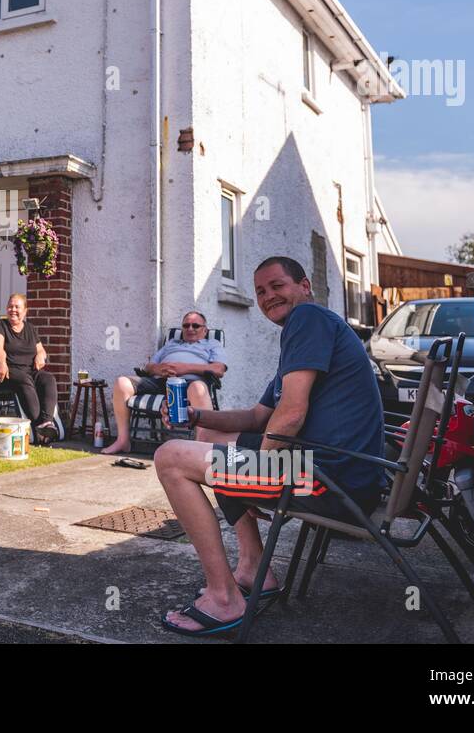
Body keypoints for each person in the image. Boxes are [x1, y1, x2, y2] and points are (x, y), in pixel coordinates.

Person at [153, 256, 385, 636]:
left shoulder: (308, 320)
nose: (267, 297)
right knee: (209, 438)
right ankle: (253, 566)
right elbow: (258, 418)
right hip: (331, 470)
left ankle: (224, 598)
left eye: (278, 286)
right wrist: (197, 418)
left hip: (329, 478)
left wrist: (248, 472)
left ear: (305, 286)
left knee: (170, 458)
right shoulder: (308, 332)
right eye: (260, 291)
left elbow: (290, 416)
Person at [102, 310, 227, 455]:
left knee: (199, 388)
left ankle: (202, 447)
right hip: (161, 381)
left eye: (195, 326)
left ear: (205, 330)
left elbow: (219, 369)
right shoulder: (171, 343)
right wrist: (158, 369)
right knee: (122, 382)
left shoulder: (212, 344)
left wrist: (185, 368)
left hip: (190, 384)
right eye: (186, 326)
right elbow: (148, 367)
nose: (190, 329)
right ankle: (123, 441)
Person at [0, 293, 62, 444]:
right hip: (5, 374)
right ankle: (37, 425)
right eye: (10, 306)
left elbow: (41, 349)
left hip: (28, 372)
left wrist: (40, 355)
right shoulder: (0, 325)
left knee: (48, 378)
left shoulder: (30, 328)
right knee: (24, 379)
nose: (12, 309)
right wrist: (1, 362)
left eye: (17, 307)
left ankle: (46, 423)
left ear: (25, 310)